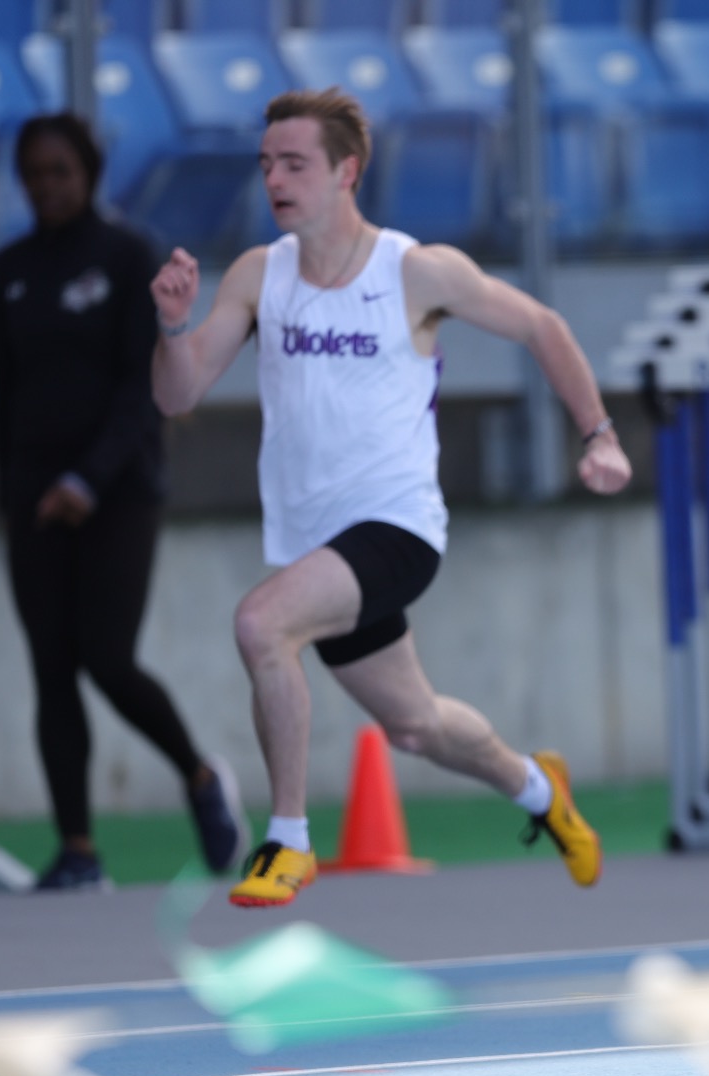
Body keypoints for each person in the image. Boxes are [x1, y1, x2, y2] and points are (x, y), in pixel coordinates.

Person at [149, 89, 630, 909]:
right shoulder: (260, 275)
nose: (275, 179)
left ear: (347, 171)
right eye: (266, 164)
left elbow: (542, 326)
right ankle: (538, 788)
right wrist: (170, 328)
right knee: (417, 725)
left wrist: (600, 434)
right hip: (316, 545)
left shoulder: (414, 271)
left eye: (294, 163)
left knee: (262, 625)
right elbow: (178, 392)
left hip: (397, 528)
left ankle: (288, 841)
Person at [0, 113, 244, 891]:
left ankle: (200, 775)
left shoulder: (129, 255)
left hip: (119, 491)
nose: (46, 186)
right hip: (35, 499)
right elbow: (7, 391)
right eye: (33, 173)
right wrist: (15, 492)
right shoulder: (10, 268)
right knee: (50, 668)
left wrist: (89, 480)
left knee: (106, 657)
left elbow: (145, 387)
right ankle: (78, 850)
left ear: (90, 174)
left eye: (60, 171)